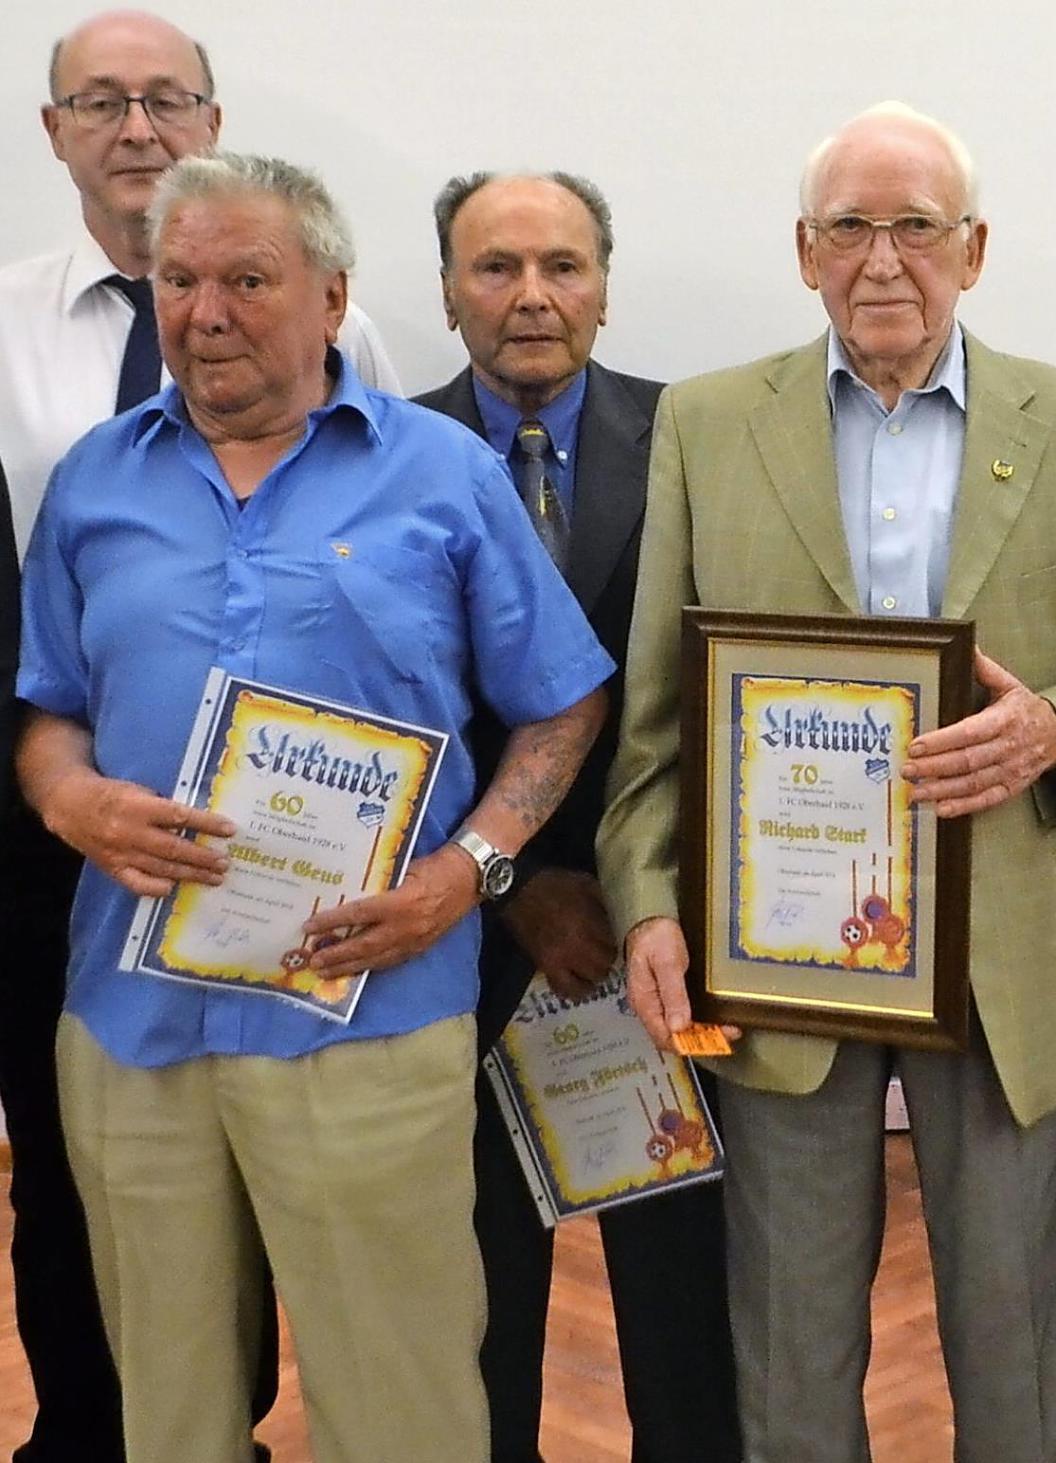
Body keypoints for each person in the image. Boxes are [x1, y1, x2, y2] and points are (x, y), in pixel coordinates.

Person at [594, 102, 1056, 1461]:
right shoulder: (706, 422)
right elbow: (657, 723)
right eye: (850, 226)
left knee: (1012, 1322)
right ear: (804, 252)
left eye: (916, 225)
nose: (882, 258)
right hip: (782, 943)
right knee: (790, 1336)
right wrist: (646, 902)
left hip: (1011, 933)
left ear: (973, 250)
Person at [15, 151, 612, 1463]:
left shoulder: (443, 475)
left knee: (397, 1396)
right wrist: (66, 794)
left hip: (372, 1013)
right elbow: (47, 701)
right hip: (133, 1020)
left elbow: (563, 699)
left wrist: (471, 867)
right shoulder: (93, 482)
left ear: (332, 296)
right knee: (167, 1404)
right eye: (179, 279)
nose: (206, 310)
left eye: (247, 278)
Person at [0, 17, 399, 1457]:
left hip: (291, 845)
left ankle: (239, 1414)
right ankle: (101, 1429)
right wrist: (59, 789)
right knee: (76, 1164)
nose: (135, 124)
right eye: (98, 101)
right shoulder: (5, 319)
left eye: (166, 97)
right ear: (54, 133)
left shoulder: (346, 334)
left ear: (212, 116)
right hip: (54, 828)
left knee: (298, 1166)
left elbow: (388, 547)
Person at [415, 168, 741, 1463]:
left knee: (687, 1303)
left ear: (605, 282)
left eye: (562, 264)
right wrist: (511, 883)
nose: (531, 295)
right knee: (477, 1299)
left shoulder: (706, 443)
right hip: (458, 943)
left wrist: (637, 886)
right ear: (447, 290)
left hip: (661, 939)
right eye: (496, 267)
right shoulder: (383, 447)